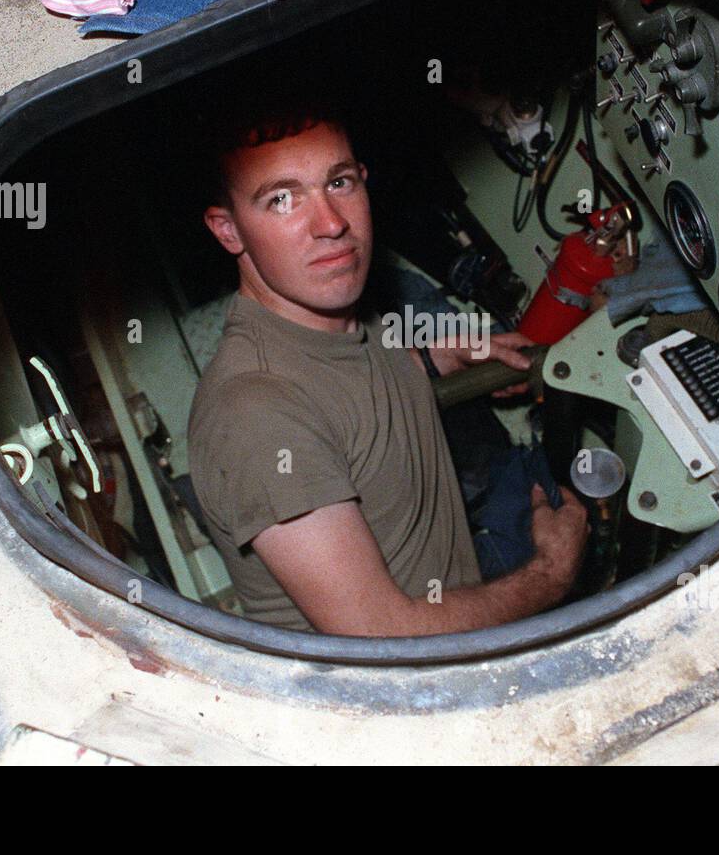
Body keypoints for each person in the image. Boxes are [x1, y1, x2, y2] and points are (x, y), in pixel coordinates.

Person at [186, 97, 588, 636]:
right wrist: (552, 575)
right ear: (228, 229)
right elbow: (381, 635)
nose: (330, 223)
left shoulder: (334, 317)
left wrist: (435, 357)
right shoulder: (256, 415)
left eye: (340, 182)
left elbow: (348, 377)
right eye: (282, 199)